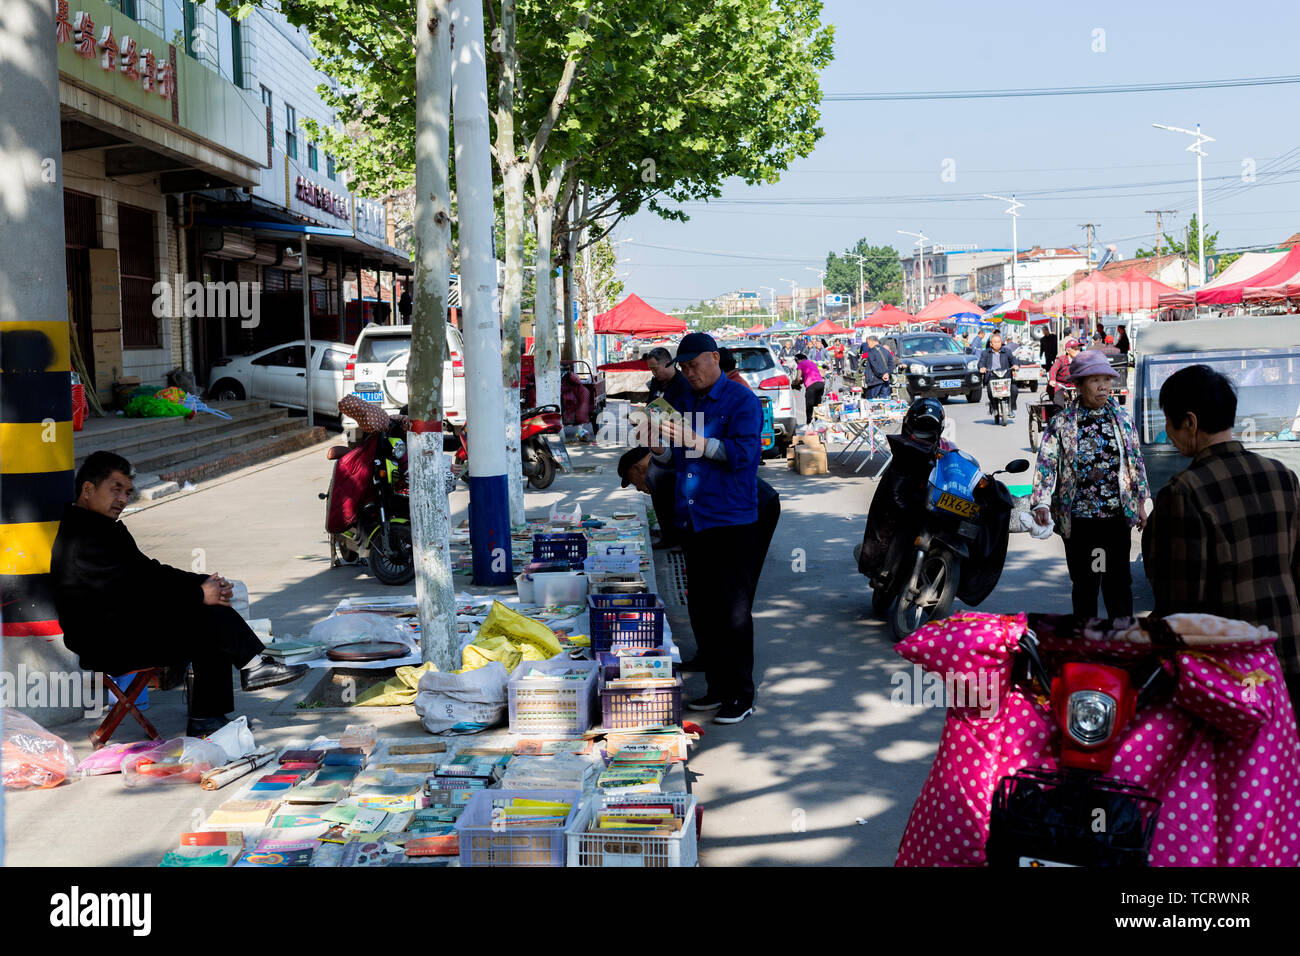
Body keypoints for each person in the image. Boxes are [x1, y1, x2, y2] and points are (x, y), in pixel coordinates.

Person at [50, 452, 307, 738]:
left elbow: (150, 572)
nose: (123, 499)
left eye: (127, 492)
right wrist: (198, 595)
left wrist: (203, 582)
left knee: (208, 612)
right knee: (204, 617)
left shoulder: (101, 529)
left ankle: (221, 703)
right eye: (116, 489)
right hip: (105, 640)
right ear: (88, 489)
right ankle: (242, 678)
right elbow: (135, 594)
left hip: (123, 624)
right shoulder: (82, 539)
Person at [1142, 365, 1300, 711]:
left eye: (1168, 422)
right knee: (1280, 760)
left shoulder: (1183, 493)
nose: (1167, 433)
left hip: (1228, 672)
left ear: (1190, 422)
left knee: (1234, 765)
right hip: (1286, 654)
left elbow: (1179, 608)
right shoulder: (1283, 477)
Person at [648, 333, 763, 724]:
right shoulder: (684, 401)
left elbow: (745, 456)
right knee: (702, 608)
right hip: (693, 518)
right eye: (683, 366)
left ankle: (741, 694)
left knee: (732, 612)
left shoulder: (741, 401)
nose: (689, 372)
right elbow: (673, 459)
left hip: (730, 519)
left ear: (714, 358)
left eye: (695, 364)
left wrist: (696, 440)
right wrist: (659, 445)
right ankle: (717, 686)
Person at [1030, 351, 1150, 619]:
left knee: (1118, 583)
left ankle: (1121, 641)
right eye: (1095, 380)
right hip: (1080, 521)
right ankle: (1085, 643)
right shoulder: (1062, 423)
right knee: (1085, 584)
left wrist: (1142, 502)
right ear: (1079, 385)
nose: (1103, 386)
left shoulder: (1122, 418)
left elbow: (1135, 461)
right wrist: (1042, 501)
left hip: (1116, 518)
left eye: (1106, 379)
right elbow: (1047, 462)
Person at [619, 445, 780, 589]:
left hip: (756, 506)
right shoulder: (664, 464)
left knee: (739, 580)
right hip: (752, 503)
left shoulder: (657, 472)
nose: (639, 489)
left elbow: (679, 528)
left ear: (637, 468)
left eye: (634, 482)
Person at [977, 331, 1020, 420]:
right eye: (995, 342)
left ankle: (1011, 408)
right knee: (990, 390)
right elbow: (981, 362)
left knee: (1014, 390)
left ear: (1001, 343)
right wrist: (982, 368)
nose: (997, 344)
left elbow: (1013, 359)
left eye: (998, 342)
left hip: (1006, 376)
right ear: (991, 344)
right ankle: (994, 407)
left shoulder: (1007, 351)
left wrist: (1015, 365)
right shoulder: (986, 353)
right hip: (992, 376)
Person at [1047, 338, 1083, 406]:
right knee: (1059, 400)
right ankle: (1059, 413)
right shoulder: (1061, 359)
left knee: (1084, 395)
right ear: (1067, 351)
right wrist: (1052, 380)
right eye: (1075, 349)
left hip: (1073, 385)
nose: (1078, 351)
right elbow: (1053, 370)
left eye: (1079, 349)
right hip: (1060, 385)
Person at [792, 352, 825, 423]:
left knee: (809, 405)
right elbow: (806, 377)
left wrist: (794, 384)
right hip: (821, 383)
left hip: (811, 386)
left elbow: (798, 379)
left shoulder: (800, 364)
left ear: (798, 360)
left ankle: (809, 423)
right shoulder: (811, 363)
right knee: (817, 404)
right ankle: (818, 422)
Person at [861, 334, 892, 400]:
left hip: (874, 381)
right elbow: (891, 364)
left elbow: (874, 366)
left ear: (872, 342)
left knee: (871, 403)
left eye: (868, 343)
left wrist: (882, 374)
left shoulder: (871, 352)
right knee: (884, 402)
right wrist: (887, 374)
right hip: (885, 381)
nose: (868, 345)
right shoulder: (886, 351)